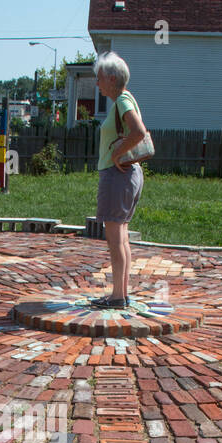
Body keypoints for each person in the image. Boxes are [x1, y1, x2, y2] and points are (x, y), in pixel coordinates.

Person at [92, 52, 147, 308]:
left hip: (118, 176)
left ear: (111, 78)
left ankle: (116, 296)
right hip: (128, 175)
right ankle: (121, 294)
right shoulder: (126, 99)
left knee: (115, 238)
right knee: (121, 236)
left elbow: (138, 131)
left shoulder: (123, 100)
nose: (97, 83)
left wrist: (116, 153)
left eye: (100, 78)